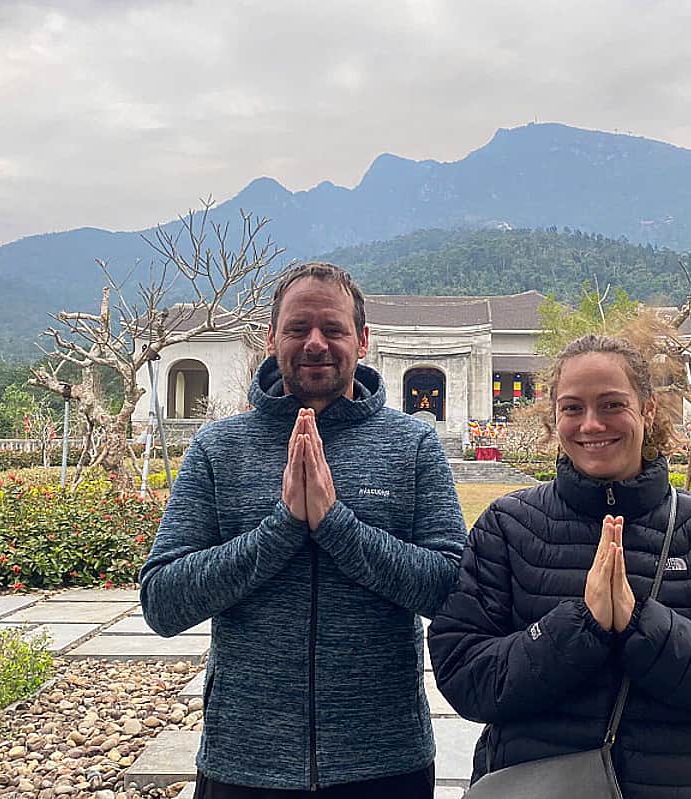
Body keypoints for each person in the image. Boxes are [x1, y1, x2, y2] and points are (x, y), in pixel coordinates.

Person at [140, 262, 467, 799]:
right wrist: (284, 527)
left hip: (384, 759)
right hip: (244, 759)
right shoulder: (220, 448)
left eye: (333, 328)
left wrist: (337, 526)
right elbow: (163, 602)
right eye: (297, 329)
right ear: (271, 338)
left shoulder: (411, 445)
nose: (315, 343)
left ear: (362, 340)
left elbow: (449, 588)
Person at [427, 333, 691, 798]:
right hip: (535, 785)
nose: (590, 424)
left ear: (646, 409)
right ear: (554, 416)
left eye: (611, 405)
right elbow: (466, 675)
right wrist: (579, 626)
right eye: (572, 408)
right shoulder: (508, 527)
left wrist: (643, 623)